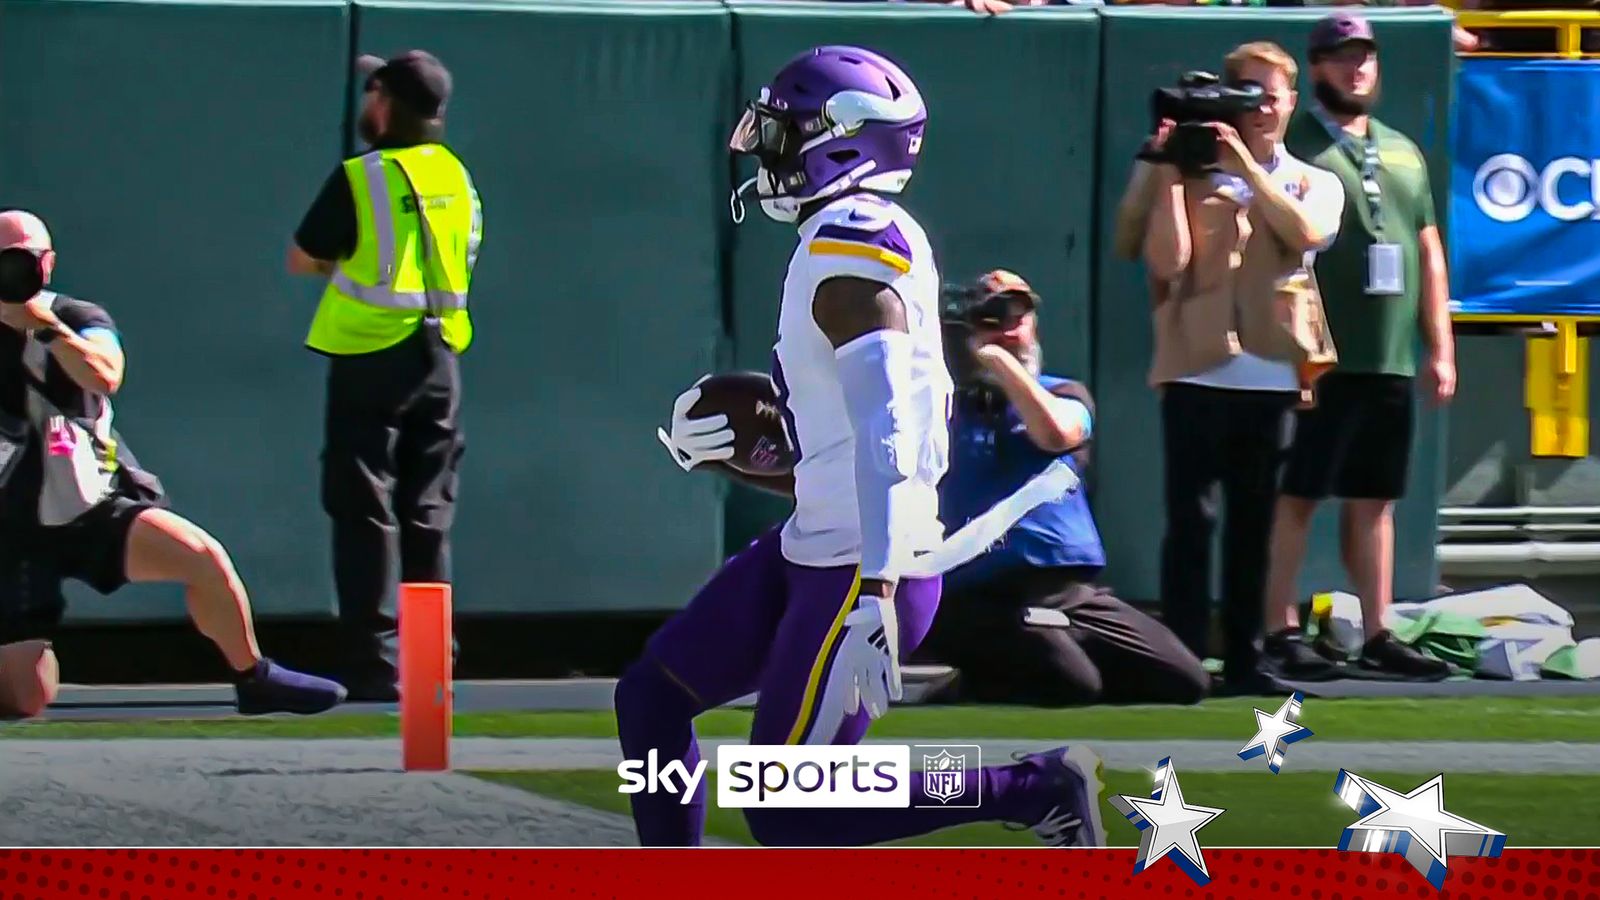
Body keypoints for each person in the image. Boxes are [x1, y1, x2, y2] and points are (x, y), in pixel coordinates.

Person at [625, 45, 1105, 849]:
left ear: (841, 141)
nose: (768, 151)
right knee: (651, 696)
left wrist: (878, 589)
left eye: (783, 133)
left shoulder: (850, 248)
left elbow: (888, 426)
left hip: (862, 566)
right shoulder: (842, 237)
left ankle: (1031, 786)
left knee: (789, 806)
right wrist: (742, 452)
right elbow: (852, 438)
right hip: (822, 544)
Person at [0, 210, 345, 718]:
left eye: (22, 260)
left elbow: (106, 374)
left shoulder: (74, 315)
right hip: (10, 524)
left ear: (47, 264)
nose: (12, 272)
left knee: (201, 557)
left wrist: (44, 328)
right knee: (25, 697)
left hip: (90, 502)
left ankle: (253, 675)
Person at [1114, 41, 1344, 695]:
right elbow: (1162, 261)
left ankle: (1247, 659)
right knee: (1191, 521)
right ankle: (1183, 658)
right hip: (1195, 368)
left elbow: (1306, 233)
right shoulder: (1191, 175)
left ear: (1292, 102)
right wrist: (1165, 169)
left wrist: (1244, 165)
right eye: (1248, 94)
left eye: (1272, 96)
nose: (1262, 108)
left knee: (1253, 525)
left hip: (1271, 373)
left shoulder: (1313, 180)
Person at [918, 270, 1210, 707]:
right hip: (978, 593)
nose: (1009, 331)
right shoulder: (939, 407)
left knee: (1185, 679)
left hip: (1068, 592)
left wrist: (999, 361)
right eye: (991, 320)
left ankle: (1054, 647)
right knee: (1072, 684)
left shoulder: (1063, 393)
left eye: (1018, 316)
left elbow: (1056, 434)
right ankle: (974, 680)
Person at [1266, 12, 1455, 681]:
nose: (1356, 68)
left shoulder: (1402, 149)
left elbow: (1427, 249)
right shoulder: (1297, 144)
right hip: (1319, 352)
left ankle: (1378, 629)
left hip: (1389, 353)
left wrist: (1441, 346)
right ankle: (1278, 628)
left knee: (1376, 497)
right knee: (1298, 492)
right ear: (1316, 66)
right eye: (1342, 57)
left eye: (1365, 56)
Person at [289, 50, 482, 701]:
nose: (367, 103)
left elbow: (303, 256)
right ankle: (429, 663)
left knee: (363, 508)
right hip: (440, 354)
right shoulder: (454, 174)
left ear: (387, 101)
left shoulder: (362, 176)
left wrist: (345, 267)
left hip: (371, 352)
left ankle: (373, 662)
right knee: (428, 511)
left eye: (374, 92)